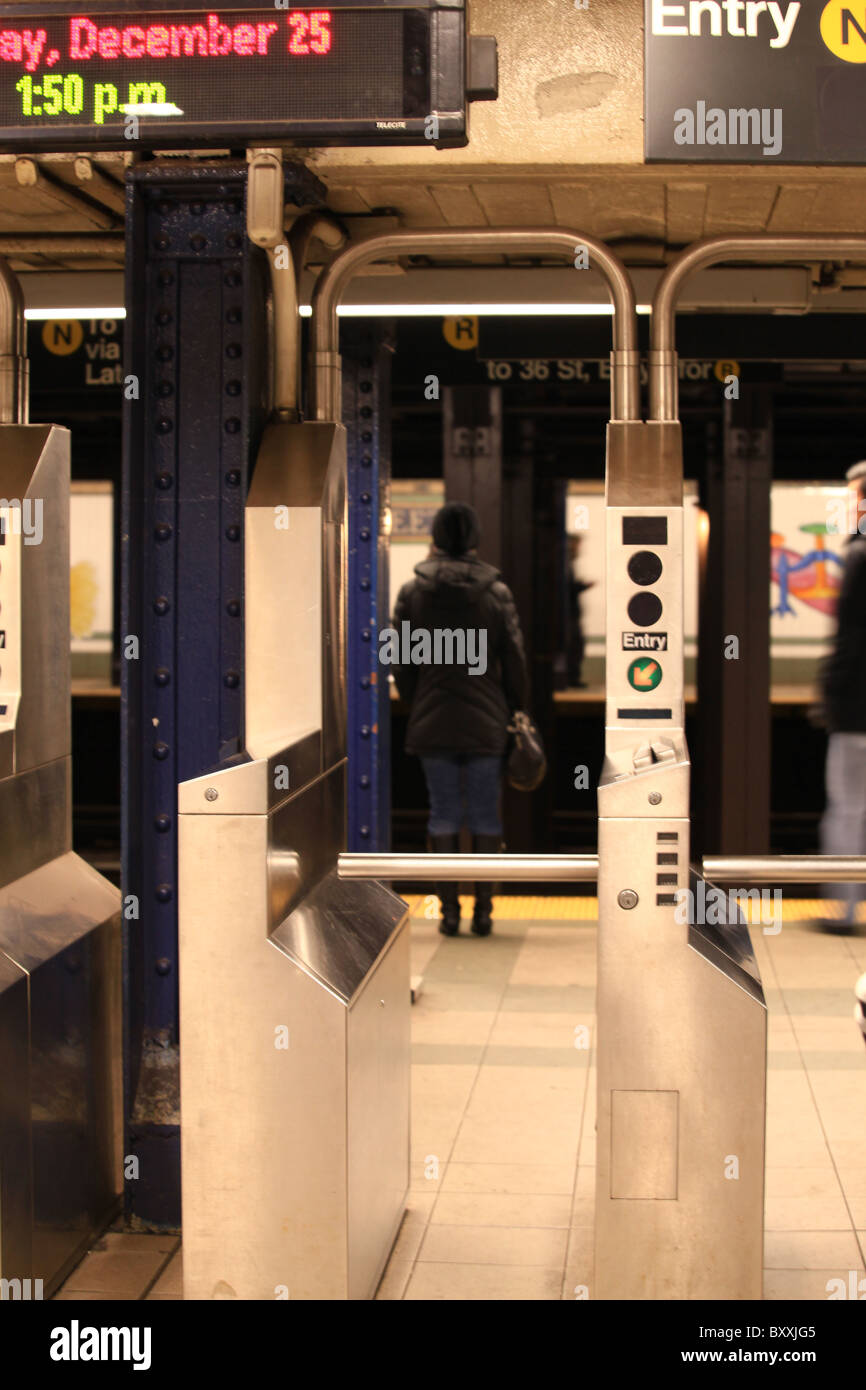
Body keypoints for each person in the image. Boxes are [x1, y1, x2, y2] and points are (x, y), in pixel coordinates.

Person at [390, 502, 528, 936]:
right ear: (474, 539)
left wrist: (419, 701)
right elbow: (515, 660)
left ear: (435, 538)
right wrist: (513, 706)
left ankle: (448, 914)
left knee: (443, 813)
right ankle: (484, 914)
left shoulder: (412, 592)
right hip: (487, 719)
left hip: (432, 719)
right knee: (486, 816)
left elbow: (401, 660)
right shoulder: (496, 593)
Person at [819, 459, 866, 933]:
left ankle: (844, 907)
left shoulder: (859, 555)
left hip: (857, 712)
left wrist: (832, 694)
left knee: (848, 808)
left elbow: (851, 642)